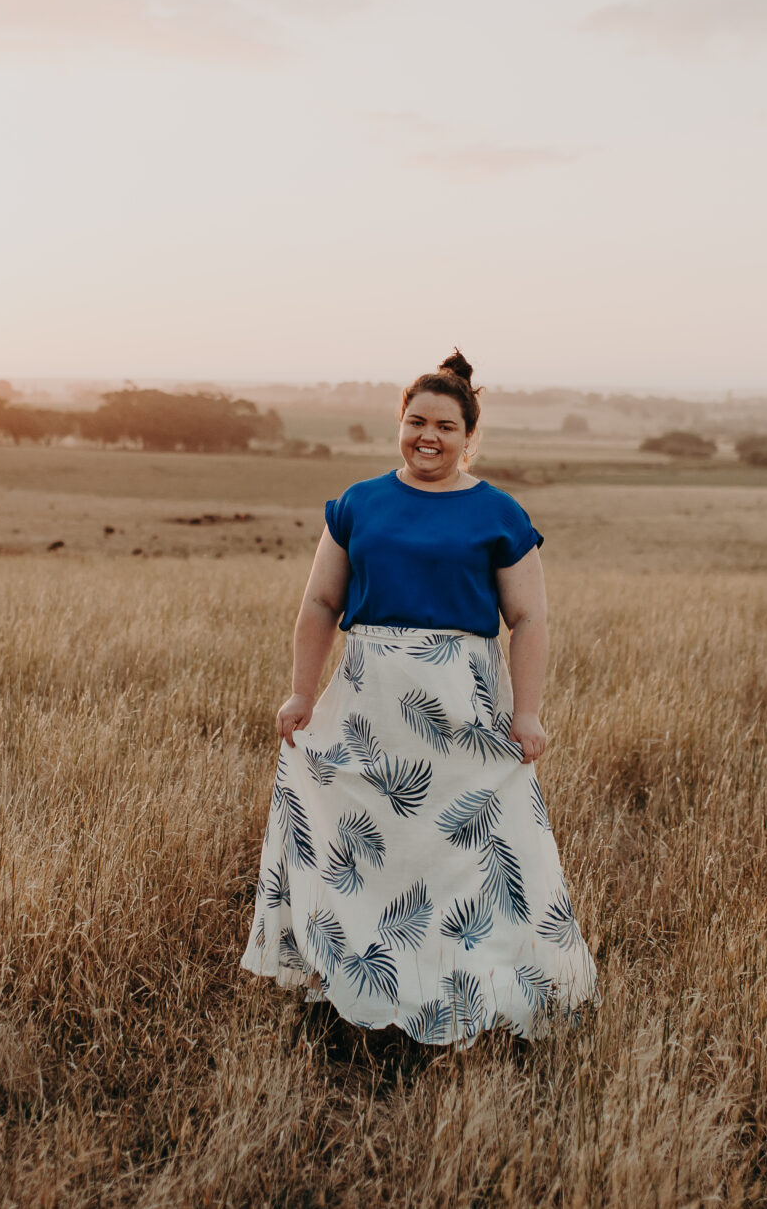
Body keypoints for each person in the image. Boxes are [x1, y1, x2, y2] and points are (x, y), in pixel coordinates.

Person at [239, 351, 597, 1044]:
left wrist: (526, 712)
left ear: (469, 434)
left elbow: (529, 619)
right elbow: (319, 601)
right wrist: (300, 693)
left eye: (445, 425)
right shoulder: (360, 503)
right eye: (415, 421)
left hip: (461, 704)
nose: (427, 436)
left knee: (468, 849)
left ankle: (469, 992)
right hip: (367, 699)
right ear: (398, 423)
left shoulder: (499, 512)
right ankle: (358, 985)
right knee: (366, 843)